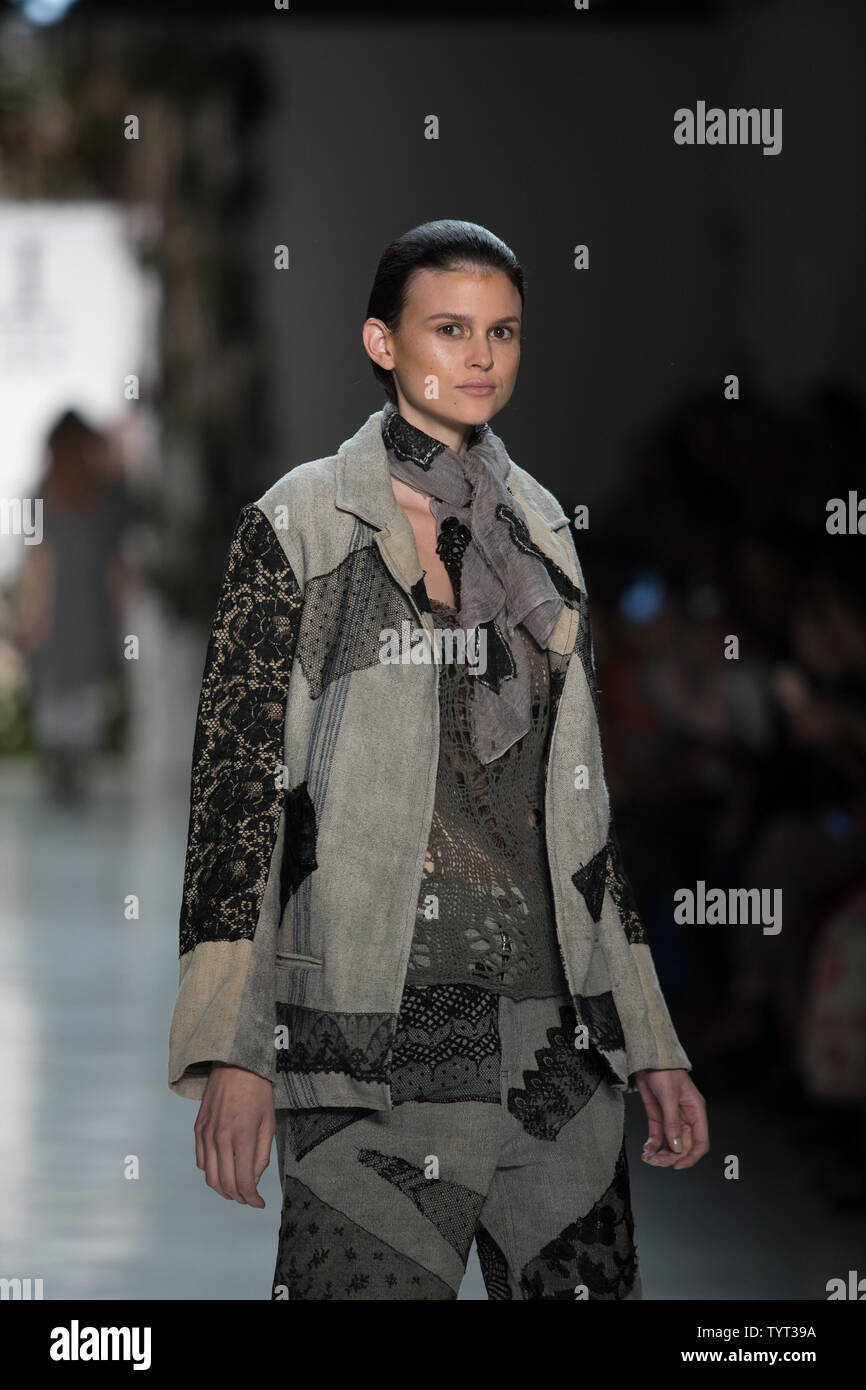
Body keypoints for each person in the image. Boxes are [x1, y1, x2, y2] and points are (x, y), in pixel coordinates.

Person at [168, 219, 709, 1300]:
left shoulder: (543, 531)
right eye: (449, 328)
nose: (479, 357)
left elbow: (584, 814)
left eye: (501, 332)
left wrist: (650, 1036)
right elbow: (237, 807)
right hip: (363, 1054)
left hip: (555, 1055)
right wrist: (235, 1051)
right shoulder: (302, 527)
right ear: (380, 343)